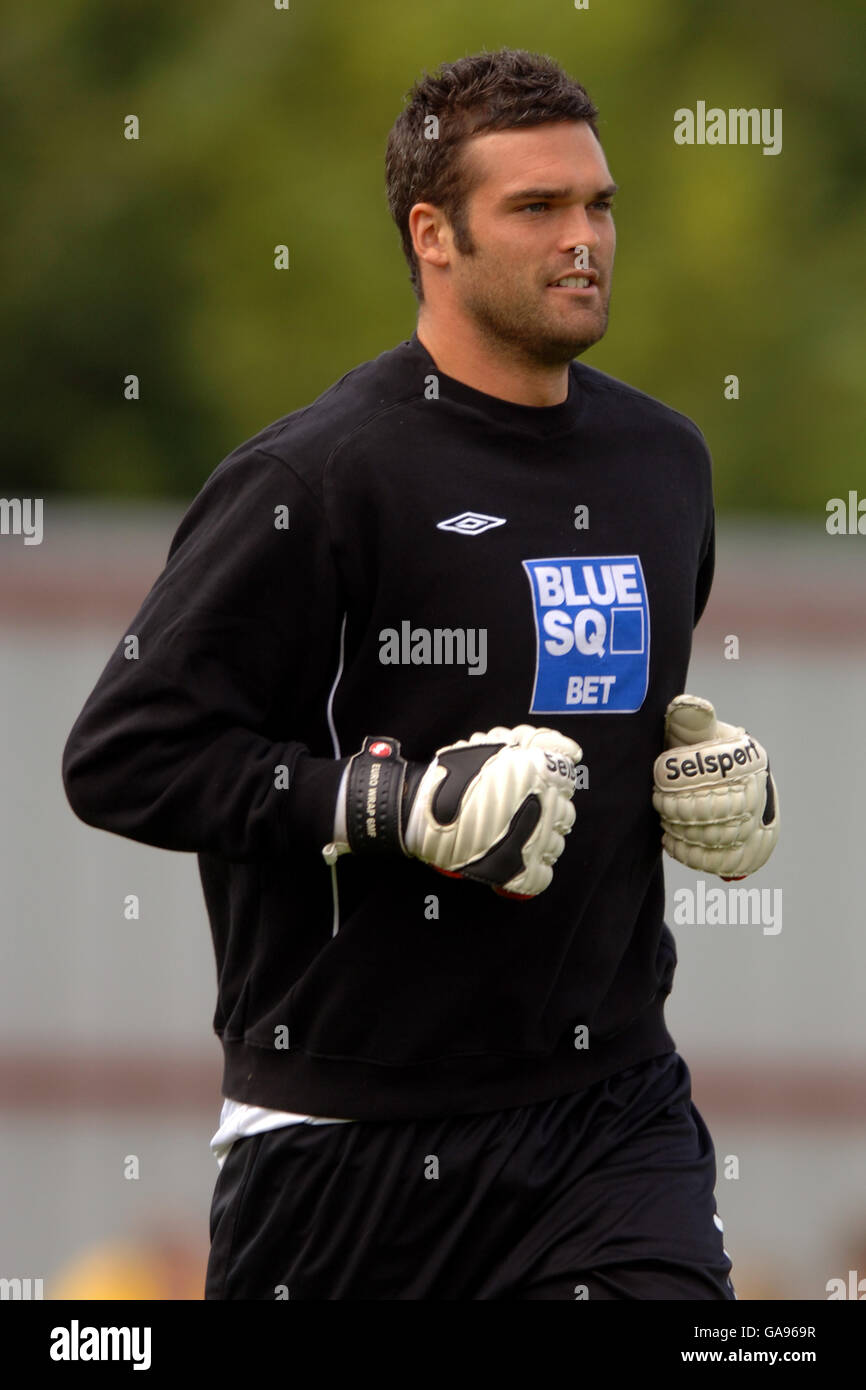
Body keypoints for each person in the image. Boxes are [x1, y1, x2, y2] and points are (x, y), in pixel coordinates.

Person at [61, 48, 779, 1300]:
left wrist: (707, 783)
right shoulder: (317, 481)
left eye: (598, 204)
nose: (583, 239)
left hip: (606, 1114)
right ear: (431, 234)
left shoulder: (663, 464)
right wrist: (386, 809)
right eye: (537, 208)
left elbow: (608, 718)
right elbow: (124, 754)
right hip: (344, 1142)